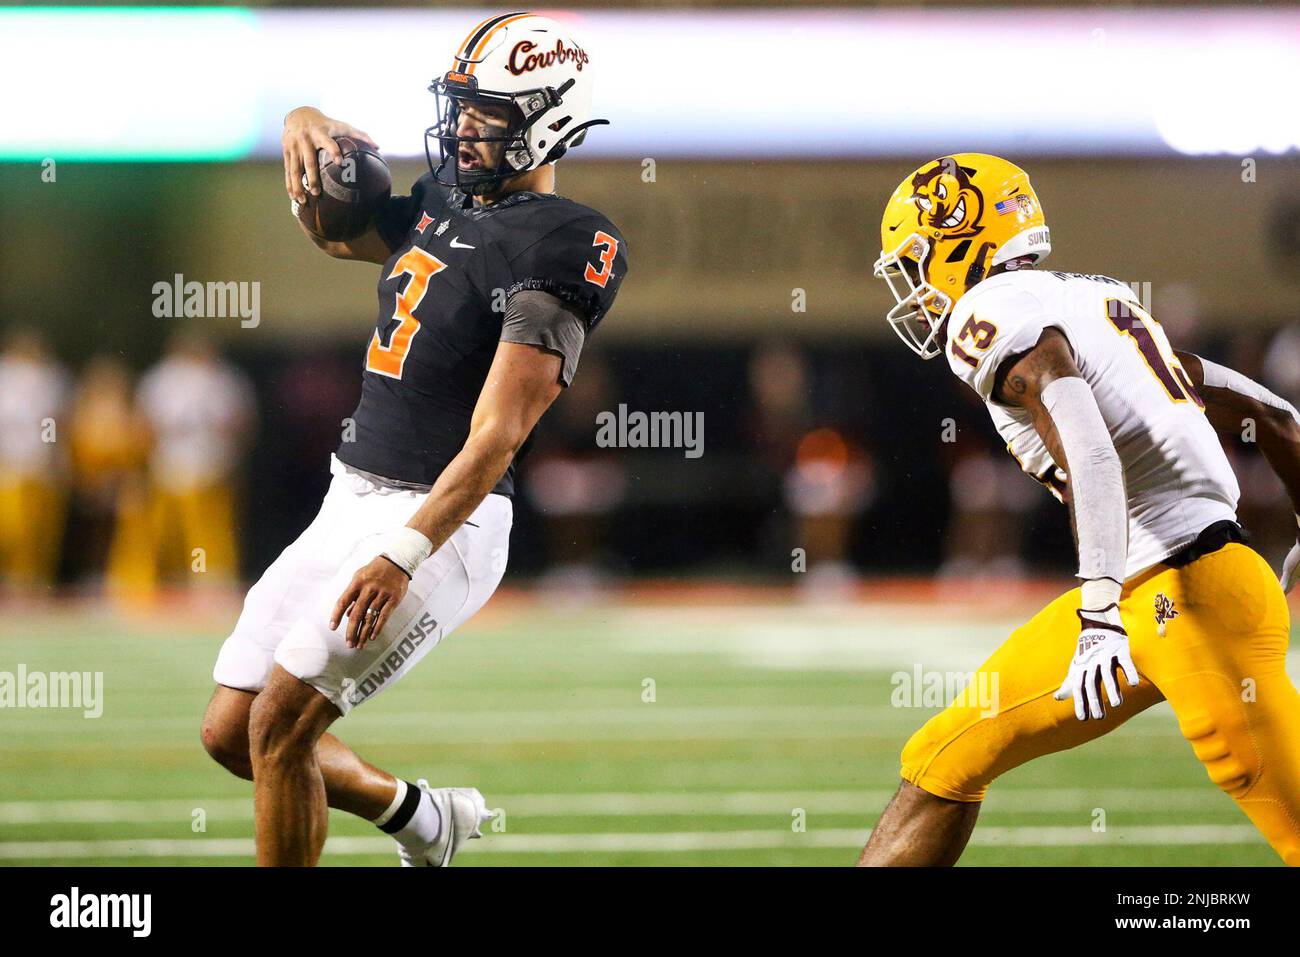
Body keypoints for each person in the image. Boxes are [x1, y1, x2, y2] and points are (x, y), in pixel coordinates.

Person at [200, 12, 628, 867]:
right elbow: (335, 231)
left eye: (489, 113)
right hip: (350, 492)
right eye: (461, 107)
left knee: (280, 726)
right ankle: (423, 818)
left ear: (548, 118)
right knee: (230, 731)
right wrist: (301, 121)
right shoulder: (439, 203)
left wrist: (403, 551)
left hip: (447, 521)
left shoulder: (565, 240)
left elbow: (500, 434)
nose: (464, 127)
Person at [859, 153, 1300, 866]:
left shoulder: (992, 310)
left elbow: (1088, 441)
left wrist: (1096, 612)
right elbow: (1275, 415)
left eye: (917, 259)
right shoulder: (1096, 298)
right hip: (1162, 588)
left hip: (1187, 600)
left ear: (959, 237)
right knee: (942, 759)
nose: (916, 285)